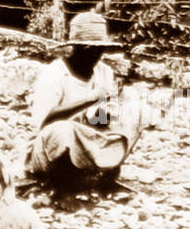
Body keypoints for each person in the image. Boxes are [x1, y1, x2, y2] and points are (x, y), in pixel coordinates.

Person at [24, 11, 144, 189]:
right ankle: (62, 183)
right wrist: (91, 98)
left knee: (136, 110)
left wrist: (106, 114)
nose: (96, 54)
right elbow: (44, 123)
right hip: (48, 151)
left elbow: (98, 122)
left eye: (99, 49)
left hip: (87, 145)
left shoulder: (104, 72)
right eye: (90, 49)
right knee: (63, 129)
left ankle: (103, 172)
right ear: (77, 47)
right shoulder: (54, 73)